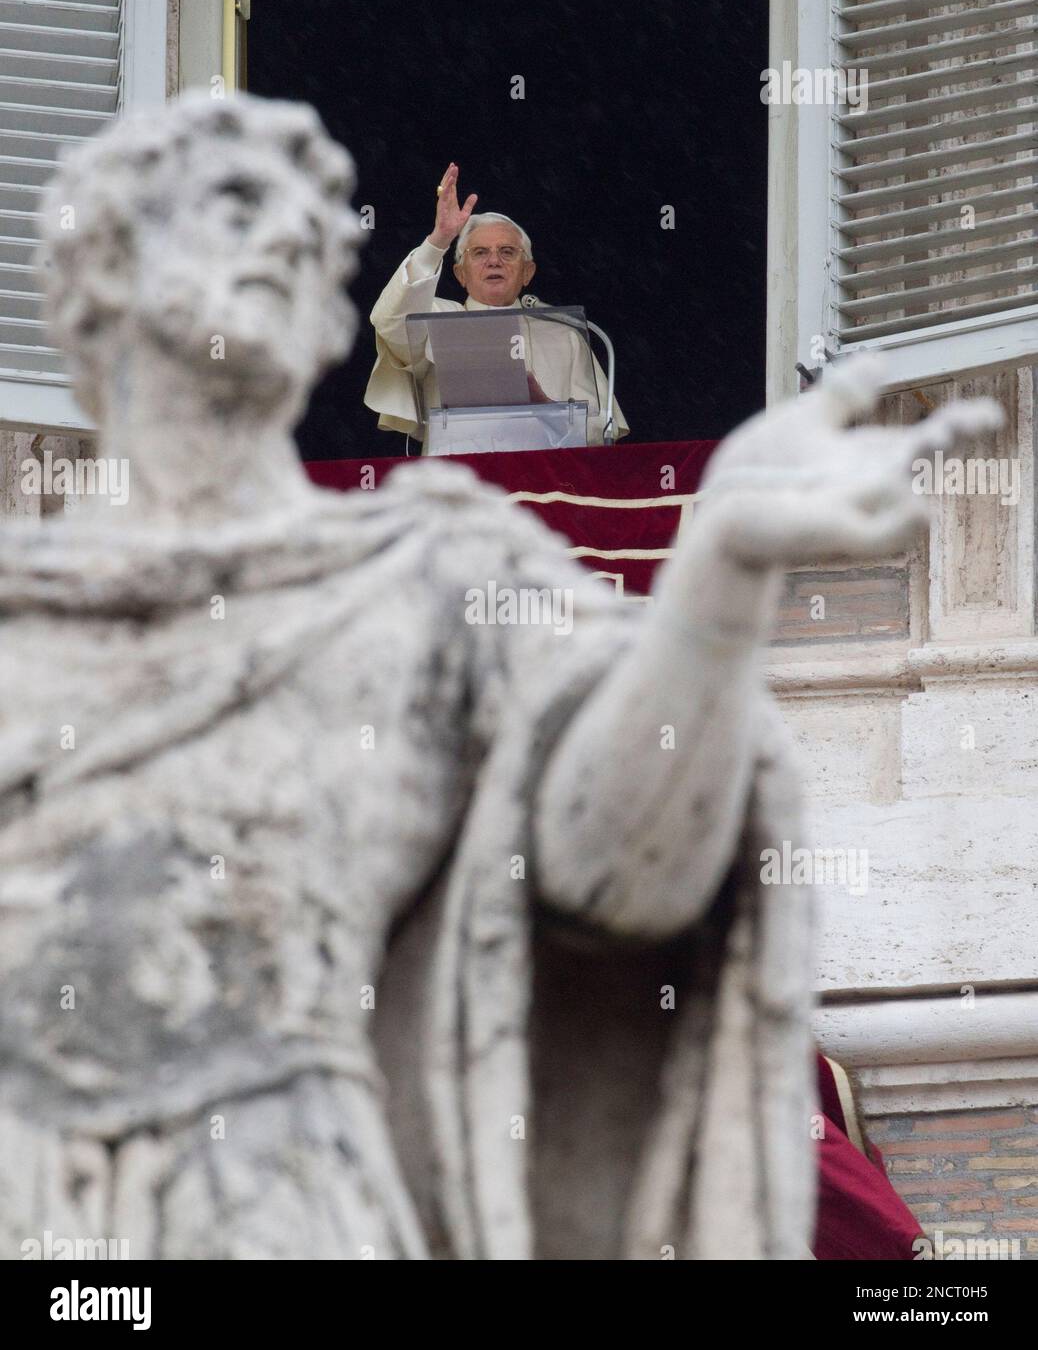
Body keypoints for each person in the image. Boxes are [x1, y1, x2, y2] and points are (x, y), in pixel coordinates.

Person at [0, 94, 998, 1260]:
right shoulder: (26, 619)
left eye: (292, 241)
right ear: (94, 286)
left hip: (307, 1201)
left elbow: (612, 882)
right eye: (218, 225)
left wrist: (719, 577)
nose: (265, 254)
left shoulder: (442, 571)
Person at [364, 163, 629, 450]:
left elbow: (603, 431)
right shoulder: (437, 322)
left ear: (527, 272)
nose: (494, 261)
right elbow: (389, 321)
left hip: (543, 489)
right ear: (460, 274)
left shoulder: (564, 338)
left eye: (507, 252)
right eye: (479, 253)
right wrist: (438, 241)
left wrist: (548, 409)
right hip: (456, 487)